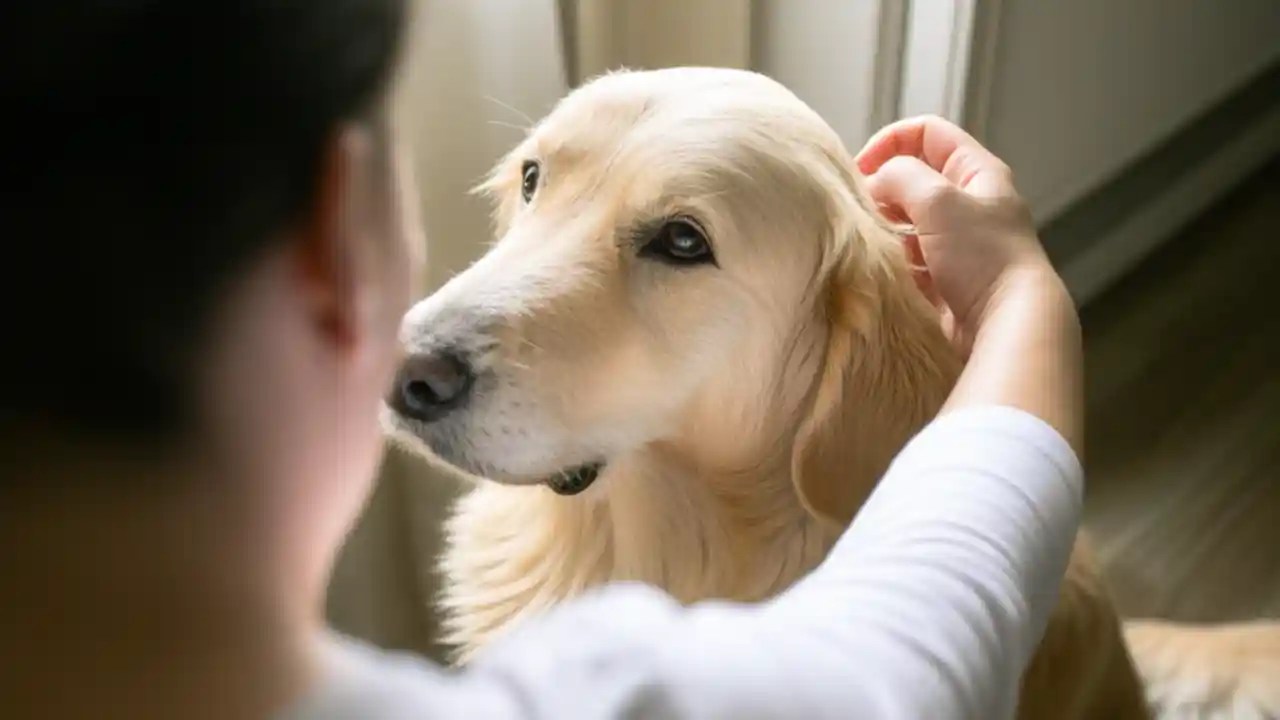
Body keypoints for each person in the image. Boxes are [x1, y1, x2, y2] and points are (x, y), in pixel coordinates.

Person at [1, 2, 1082, 719]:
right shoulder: (652, 698)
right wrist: (1025, 292)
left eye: (676, 242)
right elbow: (952, 595)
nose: (433, 340)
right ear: (332, 236)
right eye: (533, 182)